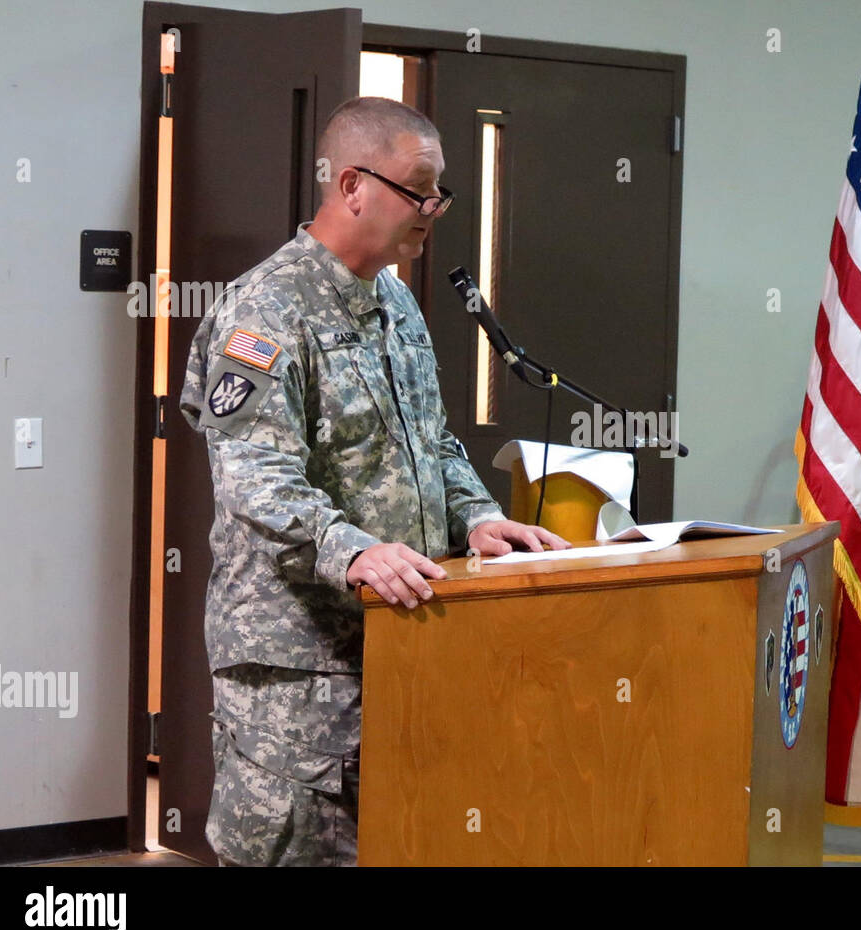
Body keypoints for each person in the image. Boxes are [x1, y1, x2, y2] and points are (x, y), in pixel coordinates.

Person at [179, 96, 570, 866]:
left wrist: (477, 517)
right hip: (299, 678)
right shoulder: (264, 312)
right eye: (418, 190)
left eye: (441, 191)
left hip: (399, 652)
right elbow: (254, 477)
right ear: (352, 185)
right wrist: (351, 549)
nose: (434, 209)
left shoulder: (395, 302)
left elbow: (434, 442)